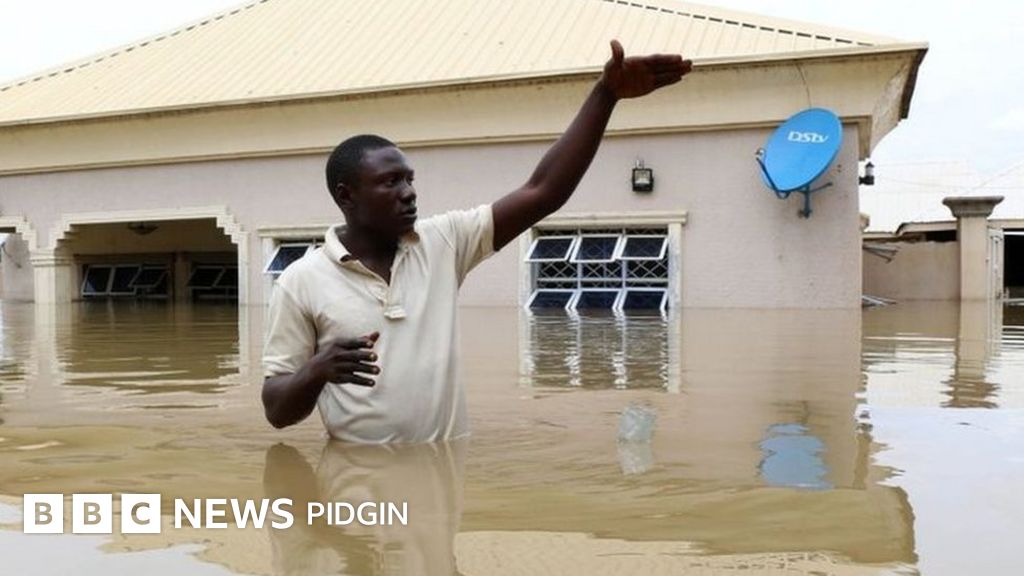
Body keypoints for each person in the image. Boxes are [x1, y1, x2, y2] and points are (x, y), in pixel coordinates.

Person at [262, 40, 691, 443]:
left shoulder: (443, 242)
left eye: (410, 179)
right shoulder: (301, 282)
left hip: (439, 485)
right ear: (346, 195)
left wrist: (605, 96)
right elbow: (277, 411)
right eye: (390, 181)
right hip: (355, 491)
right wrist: (317, 370)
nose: (409, 192)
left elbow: (544, 192)